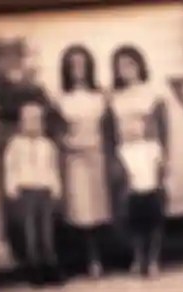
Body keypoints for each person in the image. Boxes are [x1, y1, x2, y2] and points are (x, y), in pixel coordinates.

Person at [108, 45, 168, 278]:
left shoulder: (153, 93)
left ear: (139, 65)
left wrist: (165, 156)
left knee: (154, 207)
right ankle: (137, 257)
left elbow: (163, 127)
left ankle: (153, 260)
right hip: (127, 153)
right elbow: (111, 133)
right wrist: (115, 157)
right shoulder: (115, 98)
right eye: (121, 66)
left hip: (149, 151)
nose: (126, 70)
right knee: (132, 210)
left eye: (130, 64)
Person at [55, 44, 112, 278]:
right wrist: (67, 143)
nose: (78, 69)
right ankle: (89, 260)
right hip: (75, 158)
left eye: (81, 64)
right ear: (67, 69)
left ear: (89, 66)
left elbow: (110, 130)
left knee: (102, 206)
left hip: (98, 156)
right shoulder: (62, 100)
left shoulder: (101, 97)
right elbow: (57, 132)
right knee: (82, 210)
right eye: (73, 65)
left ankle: (111, 256)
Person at [3, 102, 63, 285]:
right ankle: (34, 270)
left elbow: (52, 167)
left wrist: (56, 187)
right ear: (22, 122)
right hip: (26, 188)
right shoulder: (15, 144)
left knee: (46, 230)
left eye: (36, 119)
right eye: (28, 119)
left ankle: (50, 268)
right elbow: (10, 167)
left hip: (43, 188)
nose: (33, 123)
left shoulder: (47, 144)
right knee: (31, 230)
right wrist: (11, 187)